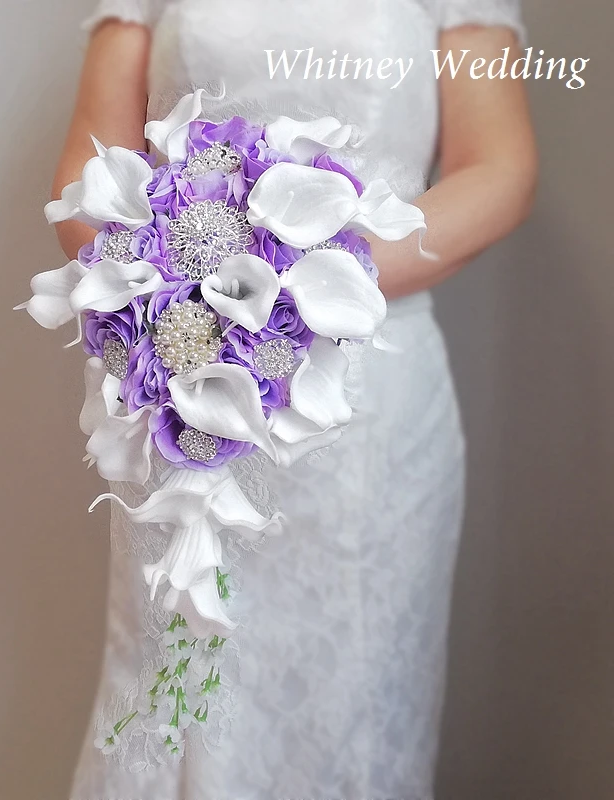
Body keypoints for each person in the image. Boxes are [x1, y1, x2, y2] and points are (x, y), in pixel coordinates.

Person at [54, 1, 537, 797]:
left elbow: (499, 166)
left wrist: (304, 280)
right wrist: (169, 285)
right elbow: (89, 160)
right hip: (192, 381)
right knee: (180, 693)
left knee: (356, 702)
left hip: (368, 405)